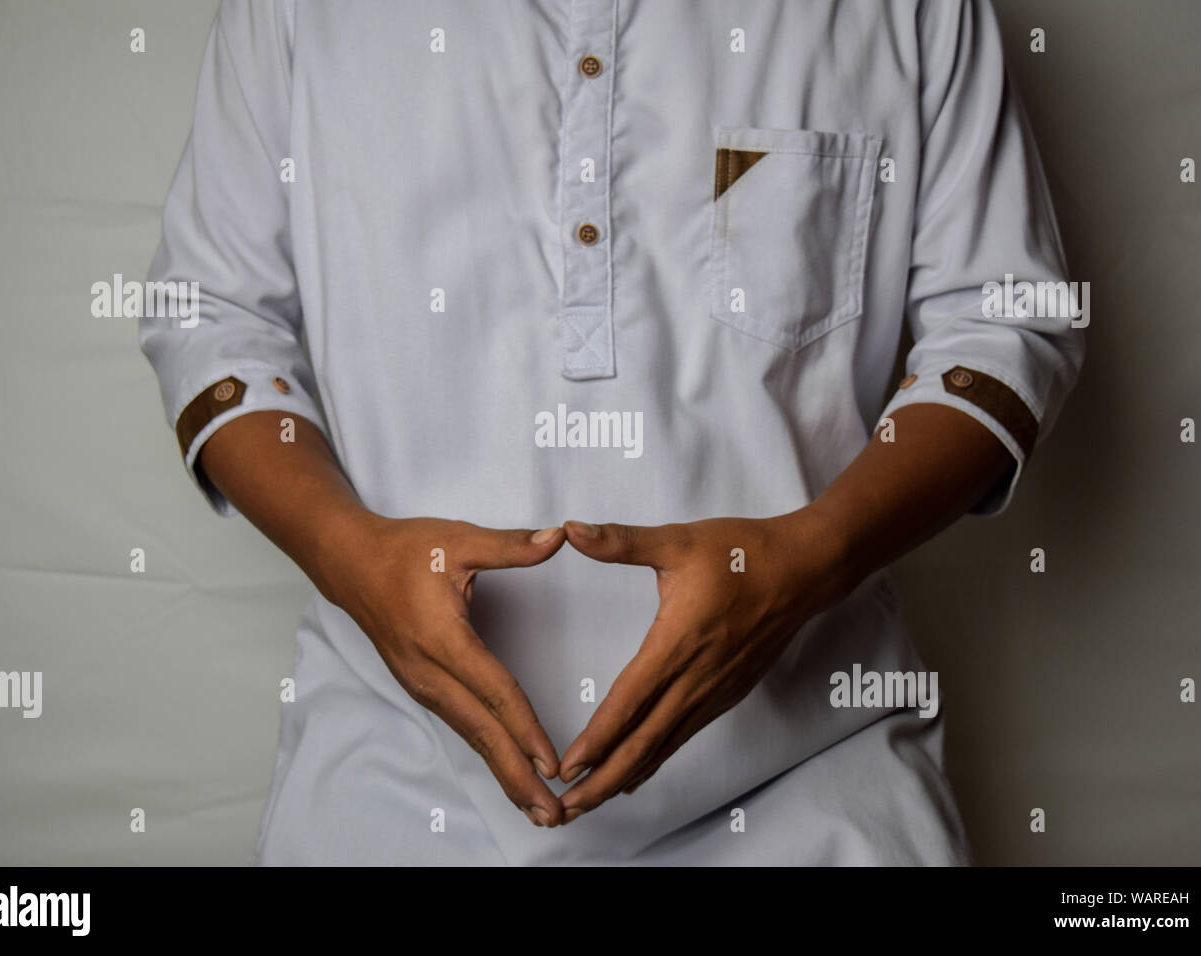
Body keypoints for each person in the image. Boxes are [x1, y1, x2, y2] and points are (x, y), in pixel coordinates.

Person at [139, 0, 1083, 864]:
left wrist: (805, 559)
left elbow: (1006, 318)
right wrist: (350, 555)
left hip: (815, 780)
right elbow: (212, 313)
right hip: (392, 780)